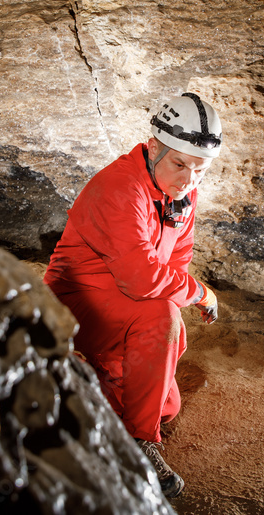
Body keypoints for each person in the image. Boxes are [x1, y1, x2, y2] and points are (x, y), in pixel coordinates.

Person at [44, 92, 221, 498]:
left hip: (123, 309)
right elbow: (142, 280)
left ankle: (85, 382)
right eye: (180, 164)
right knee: (161, 317)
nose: (189, 180)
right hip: (76, 306)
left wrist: (172, 316)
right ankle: (142, 443)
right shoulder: (120, 186)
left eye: (201, 170)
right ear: (154, 146)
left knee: (167, 405)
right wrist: (200, 294)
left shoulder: (182, 192)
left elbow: (178, 260)